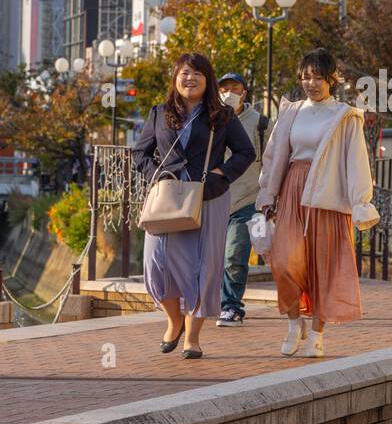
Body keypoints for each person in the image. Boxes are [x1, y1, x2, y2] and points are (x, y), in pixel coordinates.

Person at [256, 49, 378, 357]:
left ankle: (318, 334)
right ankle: (294, 323)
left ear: (332, 79)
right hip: (293, 189)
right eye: (306, 76)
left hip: (328, 195)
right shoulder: (292, 111)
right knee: (284, 260)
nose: (311, 83)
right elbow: (273, 156)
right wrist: (267, 195)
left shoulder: (345, 115)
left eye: (318, 77)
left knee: (324, 265)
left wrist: (361, 203)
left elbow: (356, 160)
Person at [132, 53, 255, 359]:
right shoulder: (159, 113)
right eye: (185, 73)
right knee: (156, 264)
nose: (190, 78)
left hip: (207, 198)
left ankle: (194, 338)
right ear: (176, 78)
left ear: (207, 80)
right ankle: (174, 321)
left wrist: (221, 174)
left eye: (198, 74)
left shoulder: (222, 115)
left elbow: (245, 152)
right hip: (168, 198)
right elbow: (139, 153)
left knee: (203, 269)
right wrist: (158, 175)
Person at [215, 73, 267, 328]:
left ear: (244, 92)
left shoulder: (260, 123)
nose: (229, 93)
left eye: (235, 88)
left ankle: (232, 306)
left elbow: (273, 160)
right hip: (213, 198)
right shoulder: (211, 119)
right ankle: (207, 302)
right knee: (210, 257)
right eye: (224, 88)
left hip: (247, 199)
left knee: (234, 255)